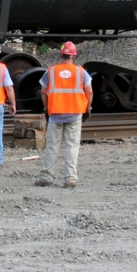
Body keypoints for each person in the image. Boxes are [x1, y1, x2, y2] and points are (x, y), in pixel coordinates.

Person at [34, 41, 93, 188]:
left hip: (56, 113)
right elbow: (89, 91)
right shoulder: (80, 71)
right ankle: (70, 179)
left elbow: (43, 91)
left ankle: (46, 177)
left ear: (60, 55)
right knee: (72, 146)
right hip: (75, 113)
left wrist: (47, 107)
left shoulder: (51, 71)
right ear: (74, 56)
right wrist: (87, 106)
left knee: (53, 146)